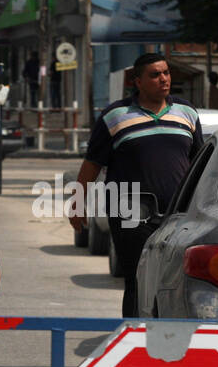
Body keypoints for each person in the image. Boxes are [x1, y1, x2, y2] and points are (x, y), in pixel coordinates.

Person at [70, 53, 203, 318]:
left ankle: (169, 341)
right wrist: (78, 204)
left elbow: (199, 165)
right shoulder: (115, 116)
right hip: (130, 213)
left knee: (177, 281)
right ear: (138, 81)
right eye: (155, 75)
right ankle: (133, 340)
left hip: (178, 215)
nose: (163, 79)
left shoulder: (186, 112)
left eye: (166, 73)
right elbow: (92, 164)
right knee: (137, 279)